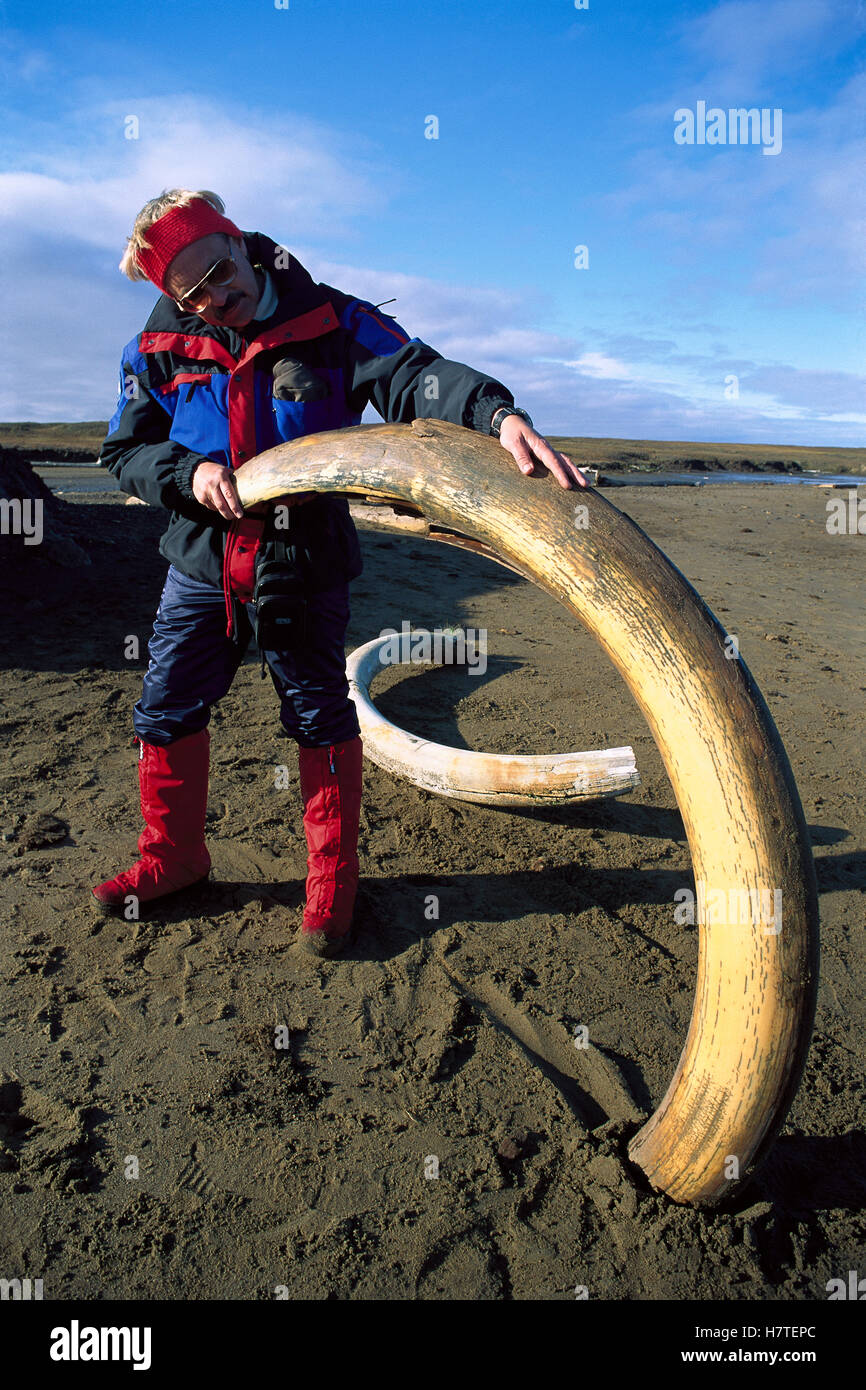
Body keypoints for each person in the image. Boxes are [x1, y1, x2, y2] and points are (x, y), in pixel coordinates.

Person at [93, 188, 587, 956]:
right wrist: (185, 474)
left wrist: (497, 415)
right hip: (201, 567)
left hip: (305, 562)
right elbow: (124, 451)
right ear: (172, 297)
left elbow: (417, 376)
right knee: (165, 711)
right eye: (196, 294)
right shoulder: (152, 352)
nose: (221, 298)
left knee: (319, 716)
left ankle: (332, 879)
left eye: (224, 272)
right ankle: (173, 858)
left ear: (237, 242)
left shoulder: (333, 321)